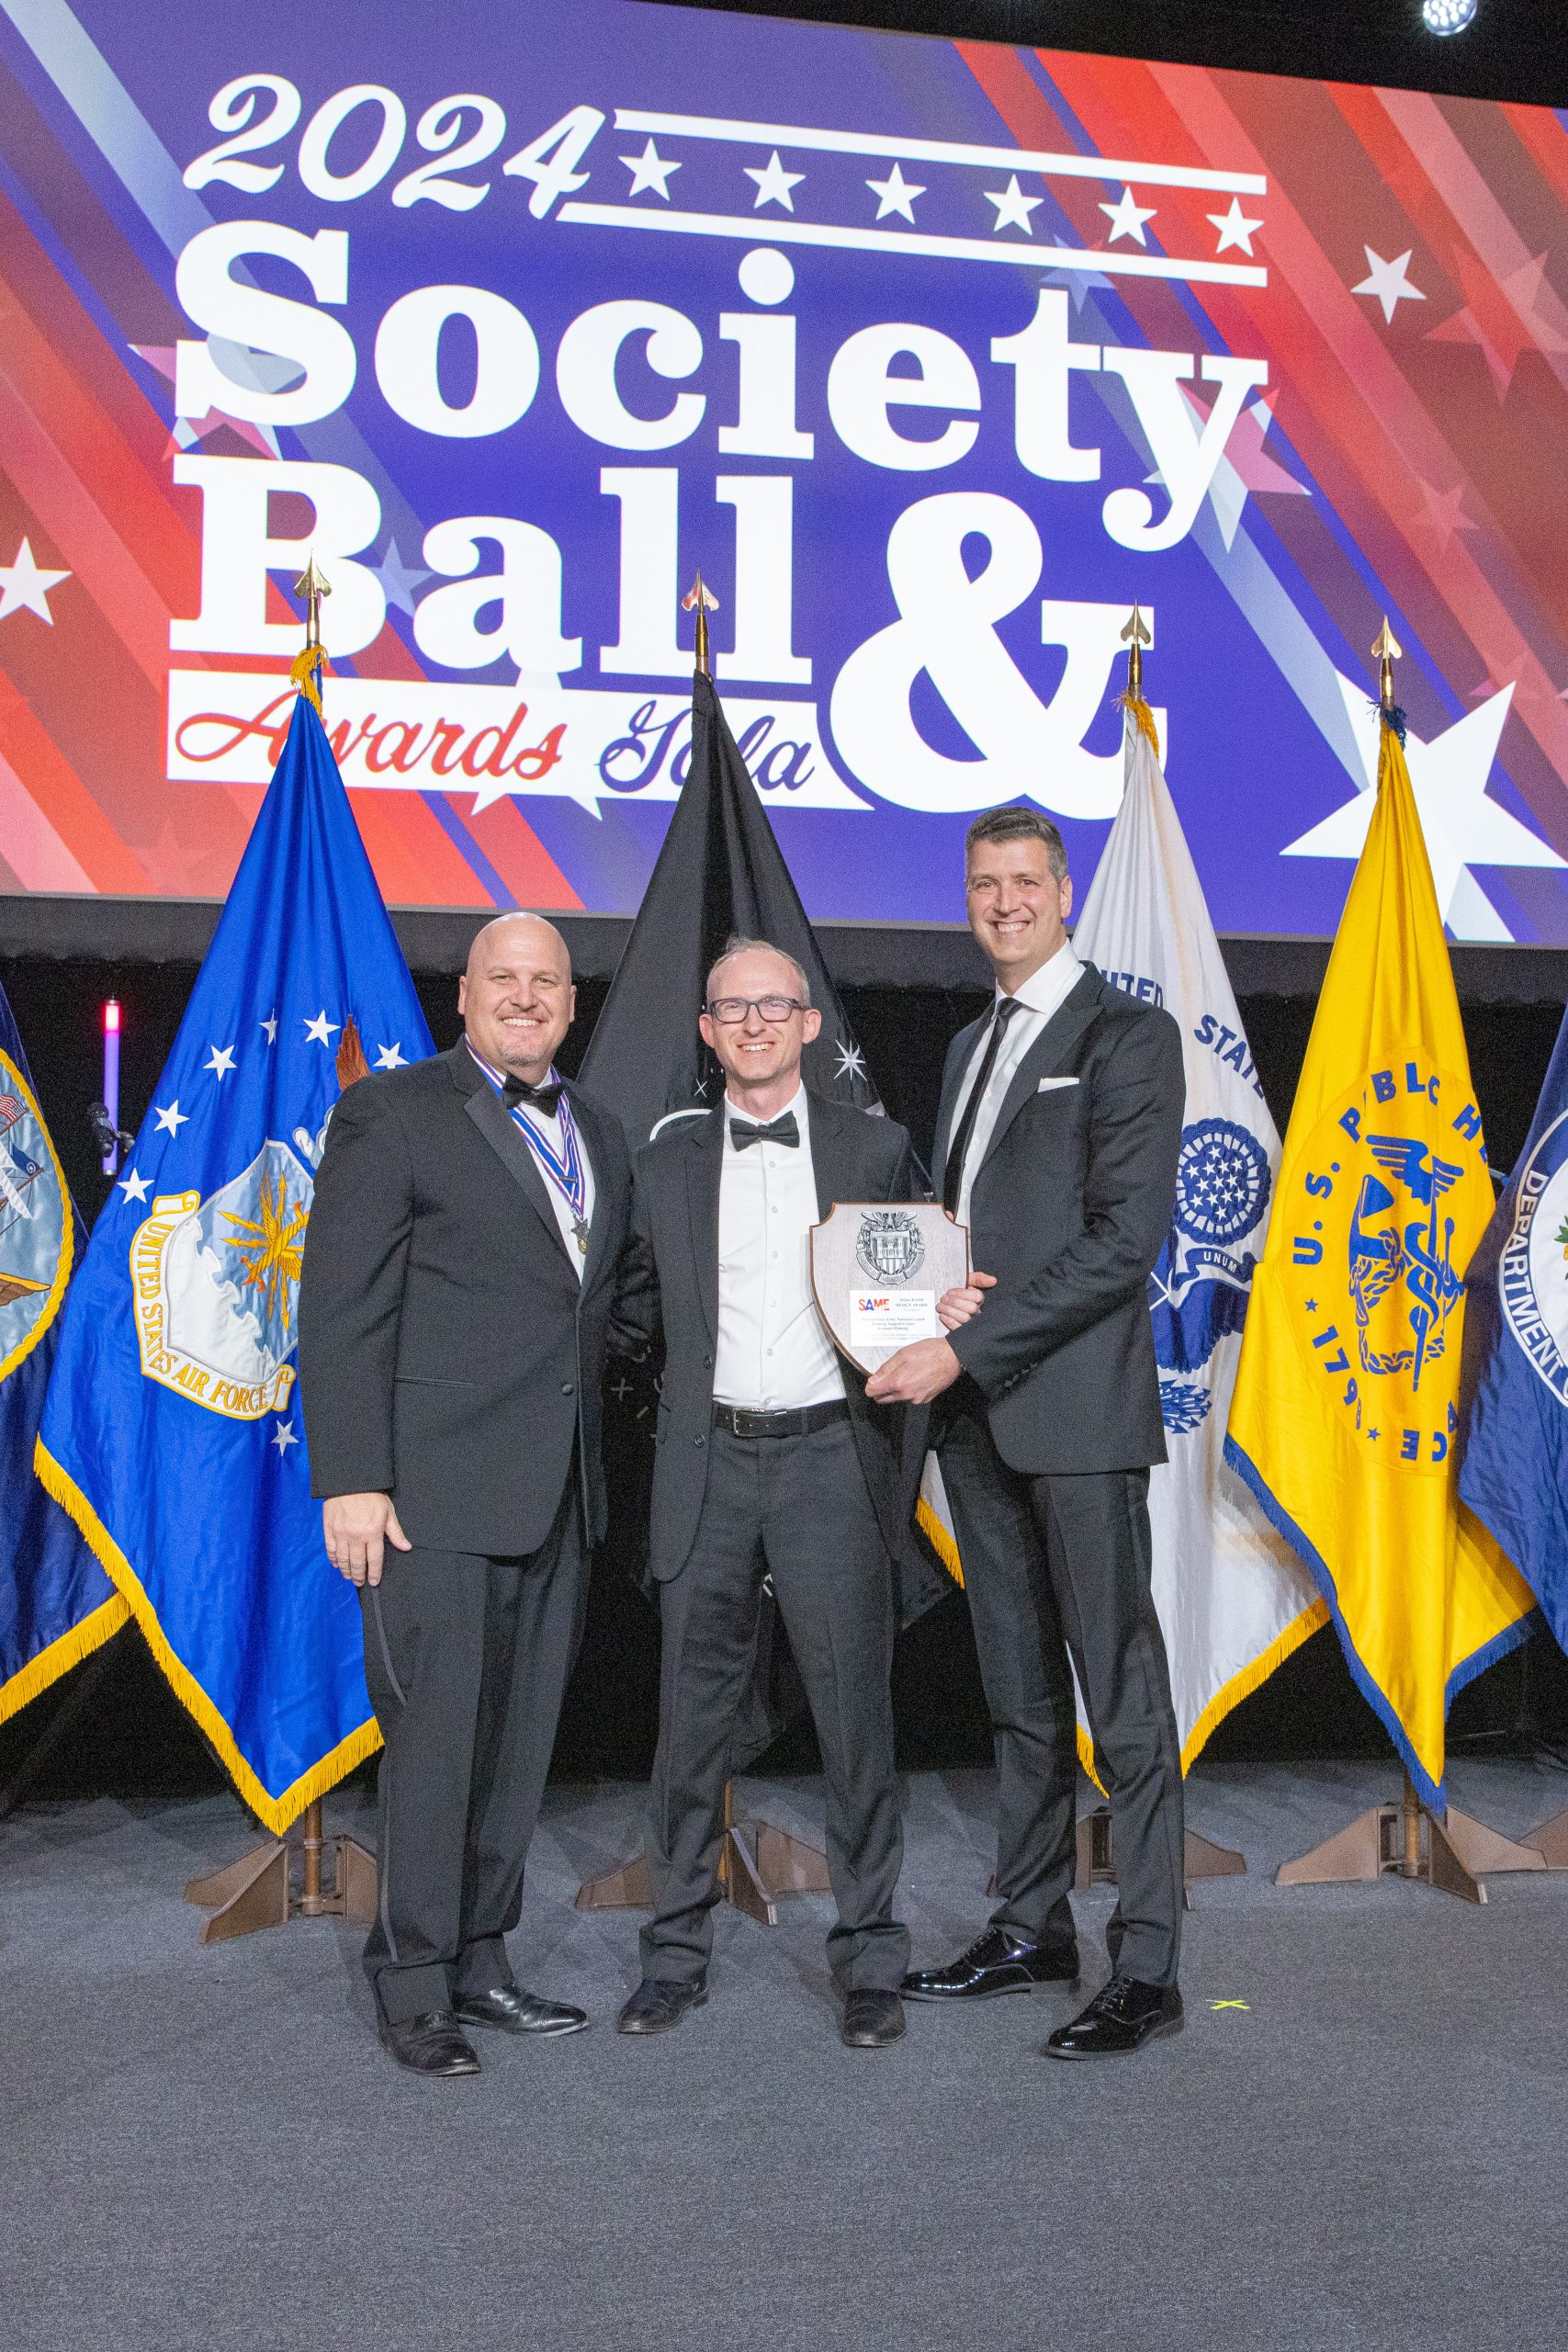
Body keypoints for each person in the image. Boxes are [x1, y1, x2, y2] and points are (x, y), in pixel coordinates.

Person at [298, 913, 649, 2077]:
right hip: (430, 1495)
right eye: (505, 977)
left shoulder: (601, 1129)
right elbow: (341, 1306)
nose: (526, 995)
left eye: (548, 980)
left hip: (560, 1492)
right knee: (437, 1744)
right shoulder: (392, 1112)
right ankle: (412, 1980)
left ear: (572, 1002)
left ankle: (481, 1960)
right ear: (464, 994)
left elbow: (610, 1304)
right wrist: (353, 1478)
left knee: (515, 1745)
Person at [867, 807, 1187, 2059]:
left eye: (1023, 881)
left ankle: (1147, 1966)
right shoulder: (966, 1044)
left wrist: (966, 1343)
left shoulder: (1126, 1034)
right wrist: (917, 1306)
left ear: (1063, 891)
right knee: (1017, 1696)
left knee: (1121, 1699)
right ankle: (1031, 1926)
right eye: (983, 883)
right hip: (975, 1425)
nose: (1003, 901)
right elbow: (966, 1231)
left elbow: (1120, 1244)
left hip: (1076, 1415)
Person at [616, 939, 919, 2051]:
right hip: (707, 1463)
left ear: (808, 1023)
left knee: (855, 1723)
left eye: (772, 1005)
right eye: (731, 1007)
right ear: (707, 1030)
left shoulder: (877, 1148)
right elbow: (626, 1313)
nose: (752, 1023)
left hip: (830, 1460)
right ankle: (674, 1957)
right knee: (688, 1728)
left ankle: (871, 1960)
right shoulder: (664, 1160)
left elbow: (920, 1296)